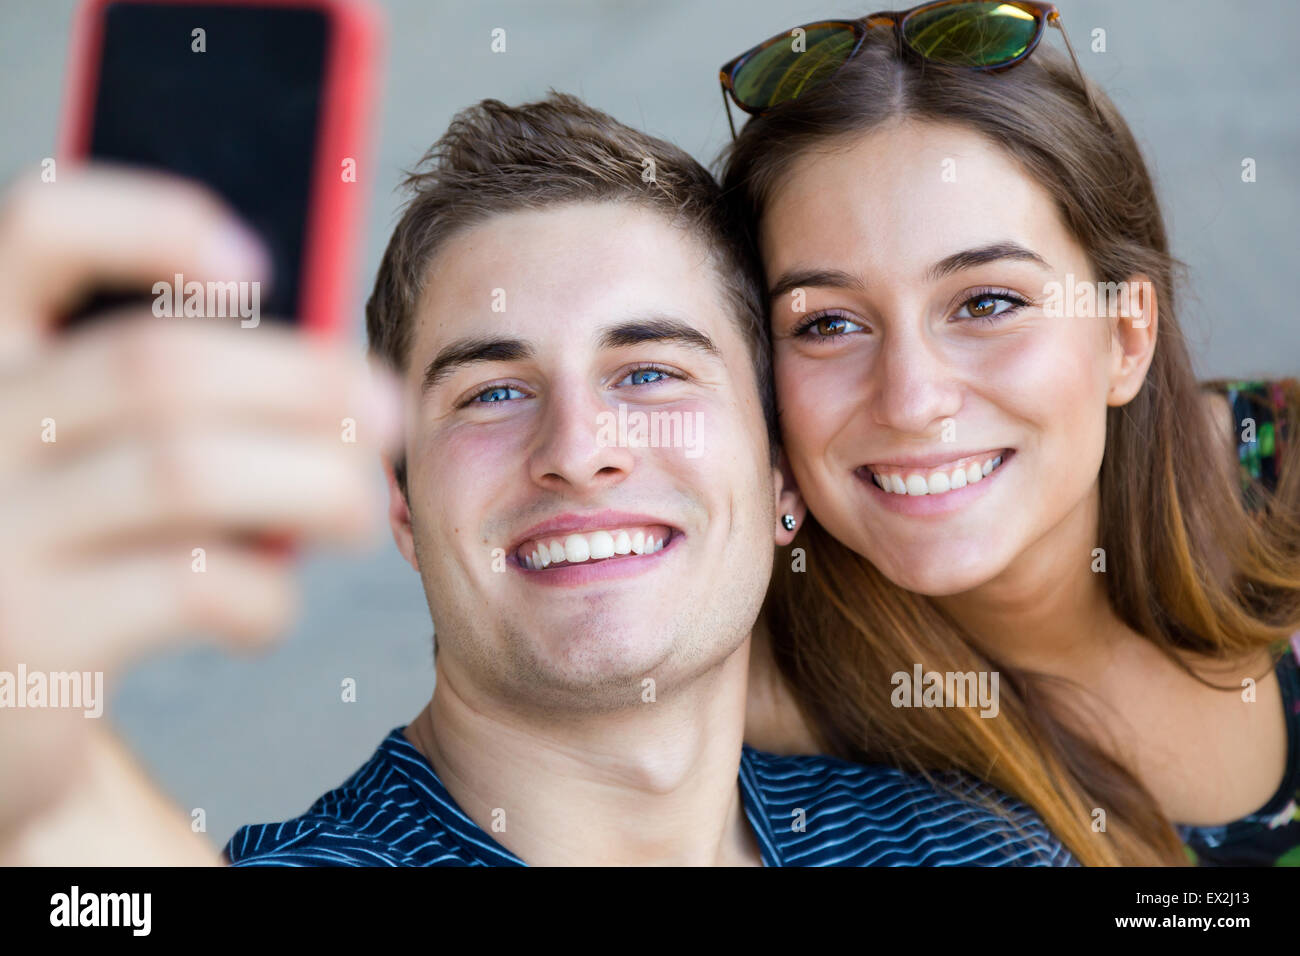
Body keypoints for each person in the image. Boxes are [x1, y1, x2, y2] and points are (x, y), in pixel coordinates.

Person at [0, 93, 1072, 867]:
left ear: (782, 475)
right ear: (403, 504)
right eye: (491, 391)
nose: (577, 444)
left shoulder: (969, 845)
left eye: (648, 369)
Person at [718, 6, 1300, 866]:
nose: (912, 400)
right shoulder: (742, 698)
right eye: (829, 324)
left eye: (988, 303)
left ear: (1125, 336)